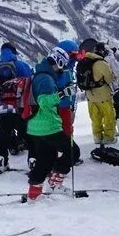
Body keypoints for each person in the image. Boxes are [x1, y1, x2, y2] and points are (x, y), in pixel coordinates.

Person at [25, 47, 73, 200]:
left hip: (35, 126)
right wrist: (63, 93)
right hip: (47, 125)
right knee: (72, 151)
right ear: (58, 62)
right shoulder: (46, 78)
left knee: (46, 159)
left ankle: (34, 193)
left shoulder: (38, 74)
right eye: (63, 65)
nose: (62, 69)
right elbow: (45, 102)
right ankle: (54, 184)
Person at [0, 42, 32, 172]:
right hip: (19, 108)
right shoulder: (21, 65)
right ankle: (33, 161)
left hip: (3, 108)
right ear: (14, 53)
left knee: (3, 136)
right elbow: (30, 84)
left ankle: (1, 161)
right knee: (27, 134)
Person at [77, 38, 117, 148]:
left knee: (95, 118)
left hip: (90, 95)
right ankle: (109, 137)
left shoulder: (84, 62)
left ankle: (97, 137)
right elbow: (110, 79)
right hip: (103, 95)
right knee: (109, 117)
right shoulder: (101, 63)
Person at [55, 39, 82, 165]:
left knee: (67, 129)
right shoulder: (60, 69)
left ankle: (66, 153)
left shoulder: (66, 68)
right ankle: (68, 155)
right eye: (72, 54)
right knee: (65, 130)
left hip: (65, 105)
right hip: (62, 105)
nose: (74, 58)